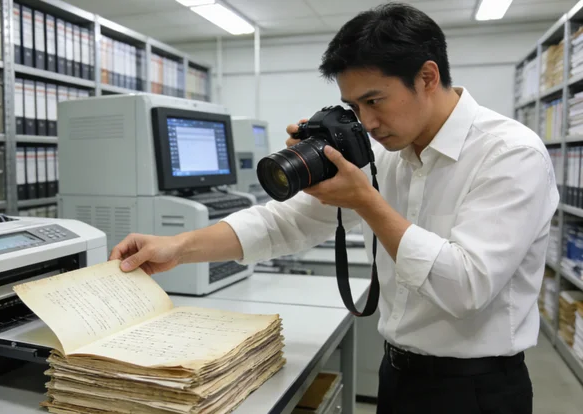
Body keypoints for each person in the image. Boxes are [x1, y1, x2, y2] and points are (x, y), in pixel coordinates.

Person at [110, 3, 558, 414]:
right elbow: (285, 223)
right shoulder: (385, 149)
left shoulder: (510, 154)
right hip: (399, 376)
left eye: (375, 100)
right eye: (354, 105)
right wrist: (178, 246)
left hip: (477, 391)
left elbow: (467, 286)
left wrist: (366, 200)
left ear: (426, 77)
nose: (366, 121)